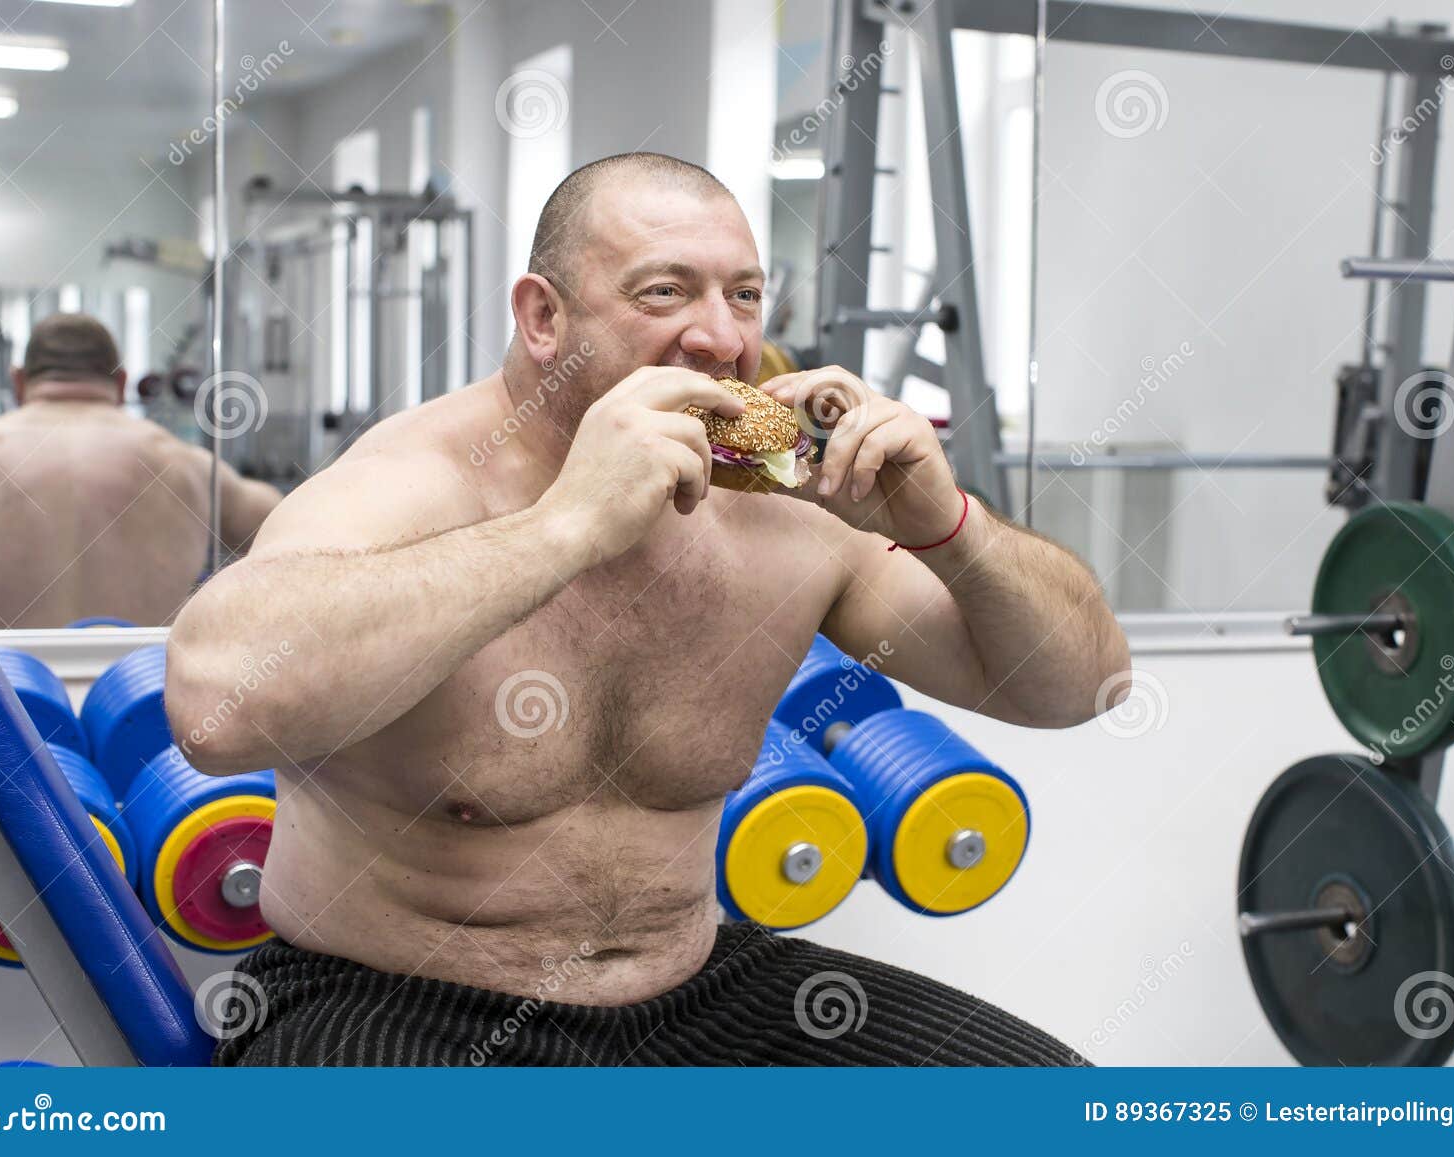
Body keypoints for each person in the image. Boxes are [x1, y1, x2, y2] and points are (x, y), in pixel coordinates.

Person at [168, 152, 1131, 1067]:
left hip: (699, 995)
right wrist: (566, 526)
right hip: (393, 997)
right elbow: (213, 711)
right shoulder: (414, 481)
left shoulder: (791, 506)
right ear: (543, 318)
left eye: (743, 294)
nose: (721, 338)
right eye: (665, 292)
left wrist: (949, 525)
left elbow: (1077, 687)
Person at [0, 313, 281, 628]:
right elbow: (291, 529)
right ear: (121, 381)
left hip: (0, 696)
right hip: (144, 694)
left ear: (18, 381)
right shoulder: (189, 467)